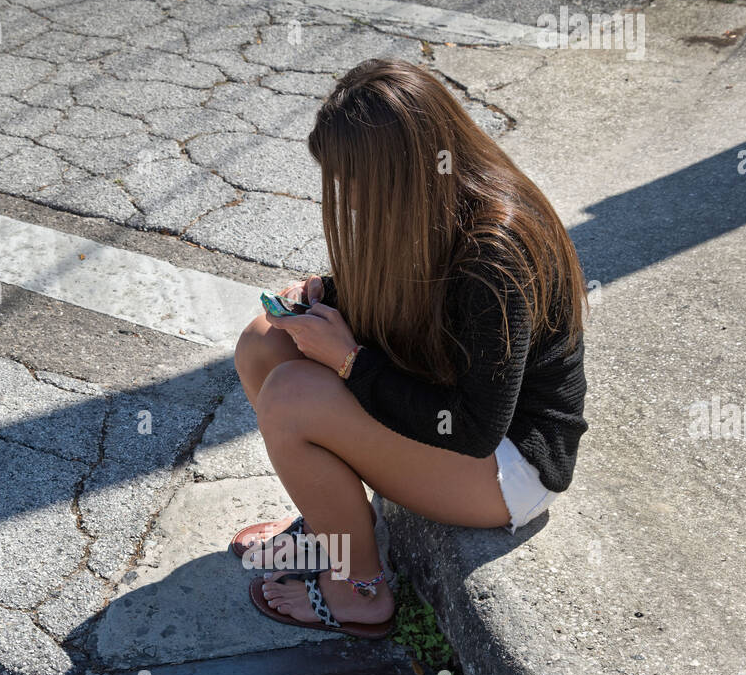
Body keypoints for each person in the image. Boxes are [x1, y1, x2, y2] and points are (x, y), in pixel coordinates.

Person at [231, 57, 588, 638]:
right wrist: (329, 300)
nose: (346, 202)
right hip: (455, 428)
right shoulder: (438, 204)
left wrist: (349, 361)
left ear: (398, 176)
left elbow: (473, 428)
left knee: (295, 397)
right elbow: (416, 298)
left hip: (507, 464)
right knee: (264, 344)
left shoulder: (495, 250)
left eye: (354, 186)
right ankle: (333, 530)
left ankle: (360, 591)